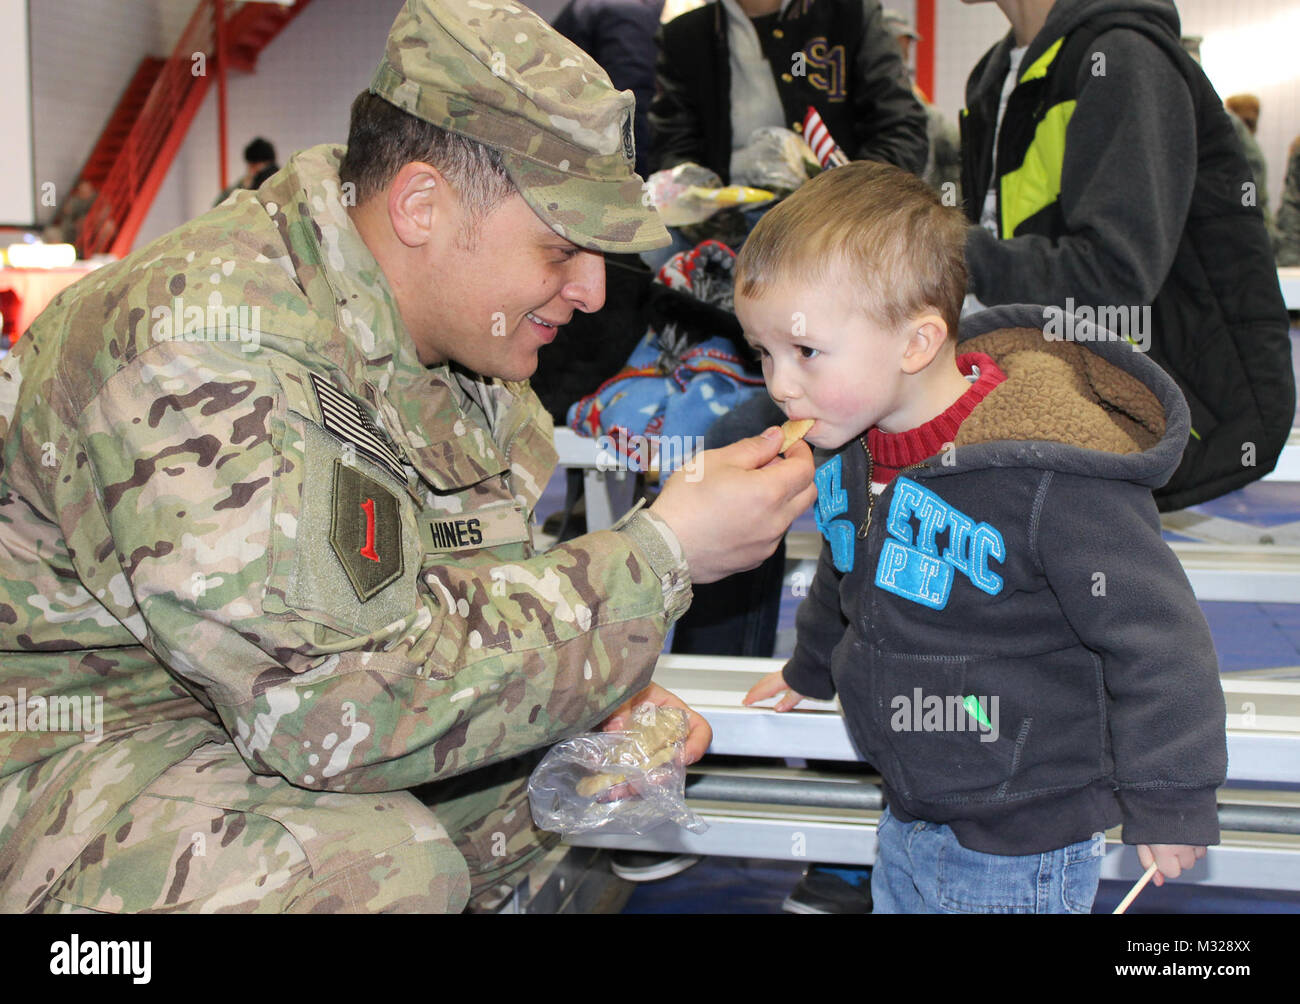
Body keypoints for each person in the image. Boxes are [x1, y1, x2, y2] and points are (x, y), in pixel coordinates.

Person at [0, 0, 818, 914]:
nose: (591, 292)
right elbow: (331, 710)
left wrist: (600, 689)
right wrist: (659, 557)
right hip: (74, 745)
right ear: (422, 206)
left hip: (238, 715)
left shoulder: (451, 342)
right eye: (561, 249)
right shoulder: (208, 349)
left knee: (538, 775)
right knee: (374, 869)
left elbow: (457, 602)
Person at [740, 159, 1227, 913]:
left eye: (805, 352)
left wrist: (1172, 797)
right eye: (763, 353)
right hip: (910, 800)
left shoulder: (1046, 472)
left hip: (1024, 829)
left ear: (915, 342)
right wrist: (811, 668)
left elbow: (1158, 636)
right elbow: (846, 568)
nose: (778, 383)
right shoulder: (852, 451)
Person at [958, 0, 1293, 511]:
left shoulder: (1123, 56)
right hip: (1039, 396)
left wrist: (948, 251)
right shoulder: (997, 75)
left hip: (1136, 407)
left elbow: (1112, 275)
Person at [649, 0, 928, 184]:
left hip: (840, 234)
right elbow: (672, 146)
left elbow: (901, 128)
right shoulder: (684, 37)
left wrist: (846, 196)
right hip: (719, 234)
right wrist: (698, 195)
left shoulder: (851, 16)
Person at [553, 0, 665, 179]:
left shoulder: (618, 10)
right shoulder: (624, 10)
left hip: (584, 156)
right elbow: (633, 104)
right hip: (597, 159)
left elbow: (632, 104)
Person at [214, 136, 281, 205]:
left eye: (253, 165)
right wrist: (244, 186)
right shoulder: (249, 180)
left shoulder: (277, 180)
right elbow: (220, 203)